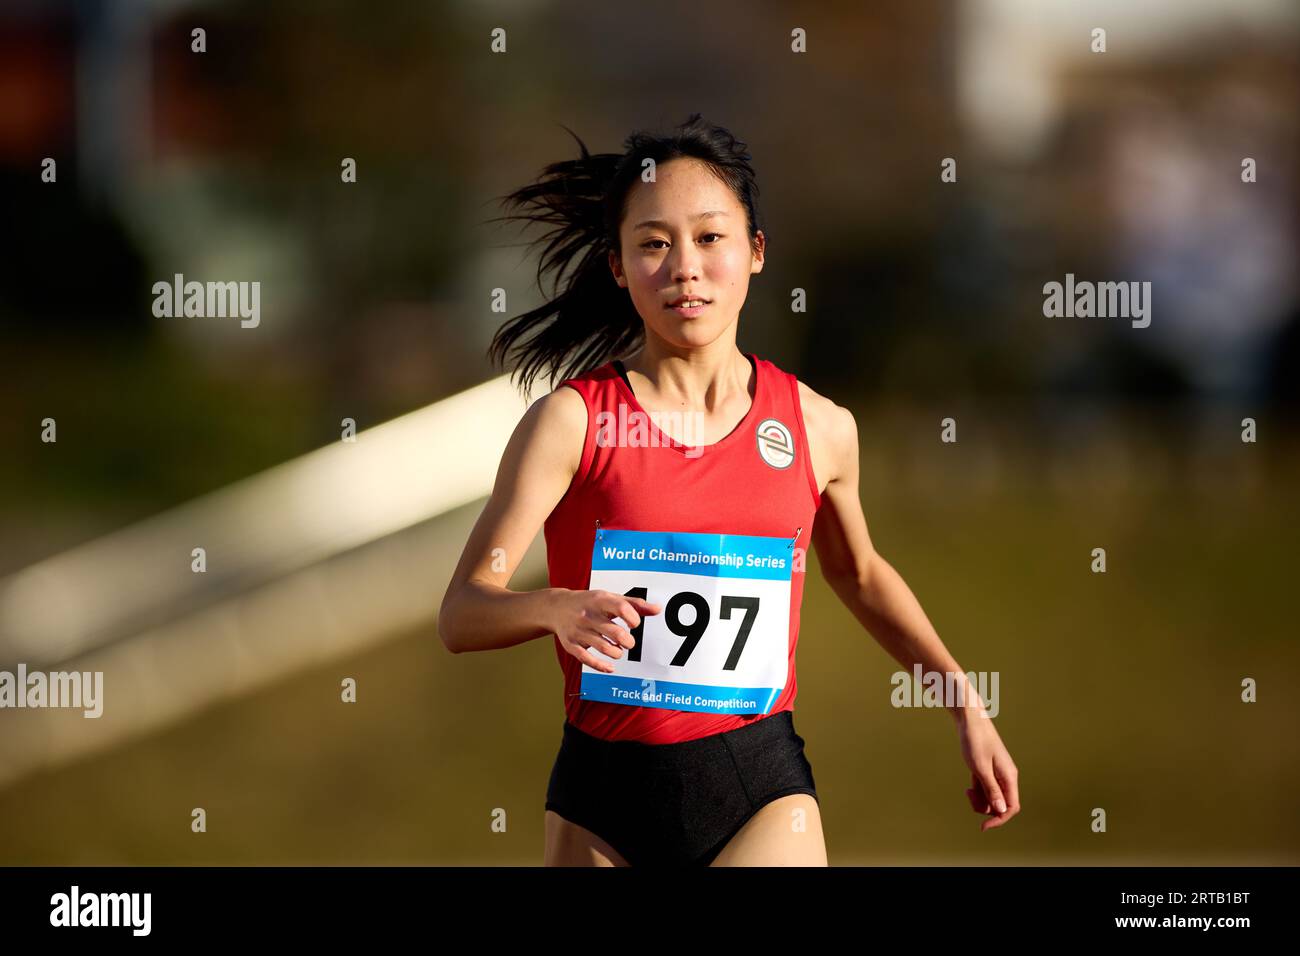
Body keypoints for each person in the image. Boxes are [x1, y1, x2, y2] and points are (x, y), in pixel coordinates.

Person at [438, 114, 1020, 866]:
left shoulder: (820, 428)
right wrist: (553, 607)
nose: (684, 266)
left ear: (755, 252)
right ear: (617, 266)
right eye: (653, 243)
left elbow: (861, 573)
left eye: (710, 238)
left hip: (756, 784)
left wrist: (964, 704)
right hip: (601, 797)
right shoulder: (571, 423)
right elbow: (463, 613)